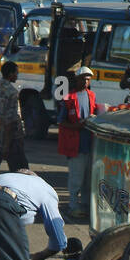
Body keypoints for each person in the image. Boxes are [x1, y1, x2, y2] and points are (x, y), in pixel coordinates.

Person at [57, 66, 97, 222]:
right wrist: (78, 126)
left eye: (88, 79)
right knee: (76, 178)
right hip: (76, 144)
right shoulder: (68, 97)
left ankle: (85, 206)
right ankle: (73, 206)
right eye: (84, 78)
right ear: (77, 79)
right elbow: (61, 121)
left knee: (88, 178)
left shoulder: (91, 95)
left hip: (90, 143)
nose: (86, 81)